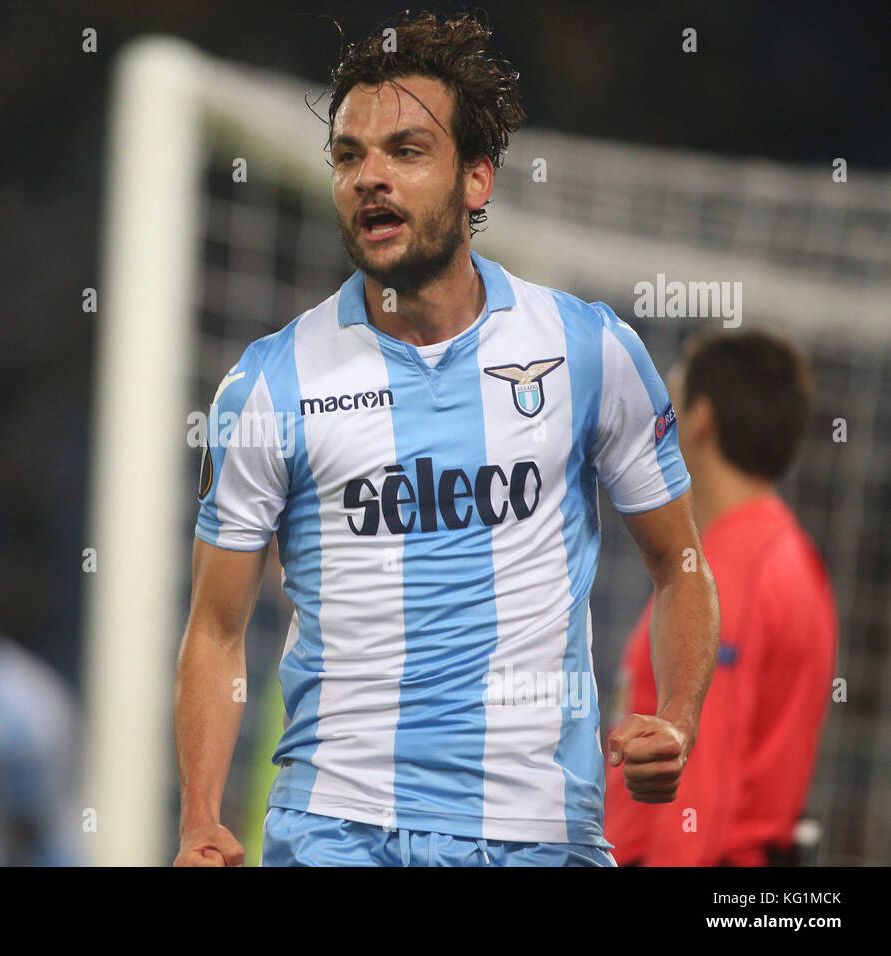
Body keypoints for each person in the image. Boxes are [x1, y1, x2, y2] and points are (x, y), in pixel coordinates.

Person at [173, 12, 720, 867]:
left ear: (476, 179)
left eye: (405, 151)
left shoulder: (588, 349)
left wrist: (678, 721)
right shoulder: (269, 383)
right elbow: (214, 628)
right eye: (349, 157)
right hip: (336, 827)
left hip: (536, 830)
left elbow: (680, 566)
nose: (369, 179)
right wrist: (199, 816)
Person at [604, 331, 838, 866]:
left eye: (673, 400)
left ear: (702, 418)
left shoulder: (730, 573)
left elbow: (698, 778)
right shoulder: (791, 555)